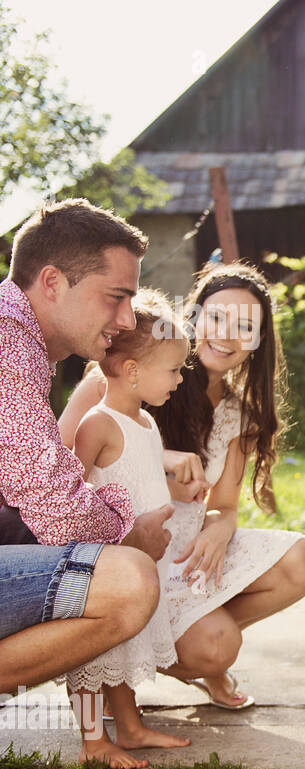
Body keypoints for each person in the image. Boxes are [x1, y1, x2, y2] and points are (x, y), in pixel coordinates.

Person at [61, 262, 305, 708]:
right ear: (194, 317)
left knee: (300, 561)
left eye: (245, 326)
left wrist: (222, 526)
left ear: (259, 341)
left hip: (188, 554)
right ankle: (162, 658)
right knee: (217, 646)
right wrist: (161, 464)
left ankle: (184, 647)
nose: (227, 334)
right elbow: (63, 467)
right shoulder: (130, 373)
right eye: (216, 317)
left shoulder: (240, 413)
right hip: (133, 553)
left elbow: (223, 505)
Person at [0, 199, 174, 699]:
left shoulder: (22, 342)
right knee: (128, 581)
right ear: (52, 282)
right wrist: (131, 530)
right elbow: (58, 512)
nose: (126, 319)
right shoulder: (9, 345)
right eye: (115, 297)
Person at [65, 290, 195, 767]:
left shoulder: (144, 420)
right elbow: (70, 496)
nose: (180, 380)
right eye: (174, 369)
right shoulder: (97, 424)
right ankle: (92, 741)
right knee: (92, 653)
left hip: (141, 561)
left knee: (120, 649)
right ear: (133, 370)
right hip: (104, 559)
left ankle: (132, 727)